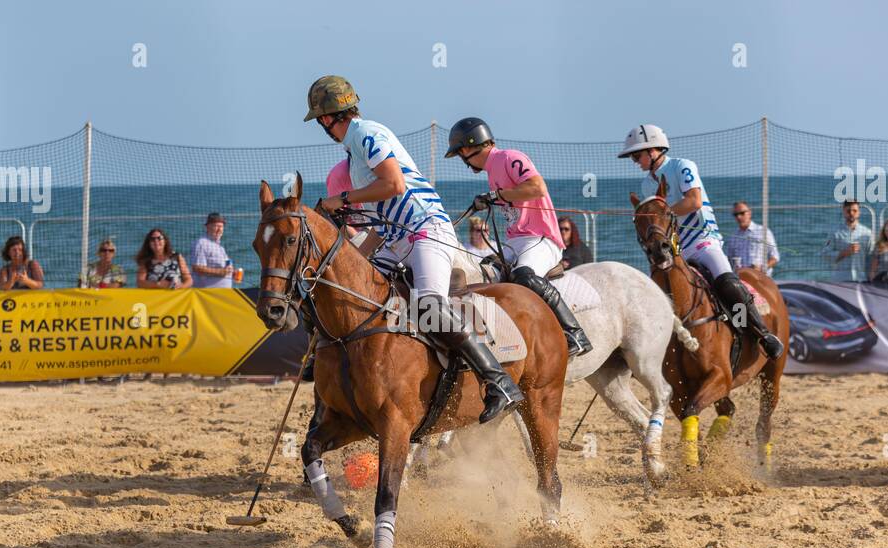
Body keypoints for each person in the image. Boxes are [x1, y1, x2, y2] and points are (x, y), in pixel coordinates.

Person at [308, 75, 522, 422]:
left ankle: (498, 382)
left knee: (429, 305)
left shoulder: (366, 134)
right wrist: (347, 262)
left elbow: (394, 183)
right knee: (357, 289)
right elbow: (381, 222)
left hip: (425, 230)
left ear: (330, 117)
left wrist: (341, 199)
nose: (323, 128)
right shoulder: (354, 150)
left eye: (321, 122)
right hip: (396, 239)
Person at [619, 123, 784, 359]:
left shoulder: (682, 166)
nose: (635, 160)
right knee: (653, 295)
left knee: (725, 281)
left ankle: (763, 334)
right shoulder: (647, 185)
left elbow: (694, 201)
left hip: (703, 241)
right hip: (675, 251)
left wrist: (663, 214)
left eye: (636, 155)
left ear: (653, 150)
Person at [446, 117, 592, 356]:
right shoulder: (492, 170)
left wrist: (496, 196)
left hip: (541, 237)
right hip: (517, 241)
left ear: (468, 148)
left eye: (460, 154)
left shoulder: (509, 157)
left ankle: (575, 333)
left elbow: (537, 187)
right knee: (484, 273)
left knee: (522, 276)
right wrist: (491, 196)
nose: (463, 160)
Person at [823, 200, 875, 282]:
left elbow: (872, 256)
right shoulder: (834, 232)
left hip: (861, 280)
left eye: (854, 210)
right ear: (843, 211)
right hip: (840, 280)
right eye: (848, 210)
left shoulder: (867, 233)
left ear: (859, 212)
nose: (851, 213)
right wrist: (845, 252)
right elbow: (825, 254)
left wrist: (871, 276)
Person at [722, 202, 779, 276]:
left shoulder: (763, 231)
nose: (739, 217)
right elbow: (729, 259)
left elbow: (775, 256)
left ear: (749, 213)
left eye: (742, 213)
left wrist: (762, 268)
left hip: (760, 278)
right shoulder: (733, 237)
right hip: (741, 278)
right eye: (736, 214)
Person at [191, 213, 233, 288]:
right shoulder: (201, 243)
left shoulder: (219, 247)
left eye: (222, 226)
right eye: (216, 226)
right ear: (207, 227)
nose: (219, 229)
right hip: (208, 294)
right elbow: (197, 268)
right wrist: (221, 272)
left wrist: (232, 273)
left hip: (222, 293)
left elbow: (224, 268)